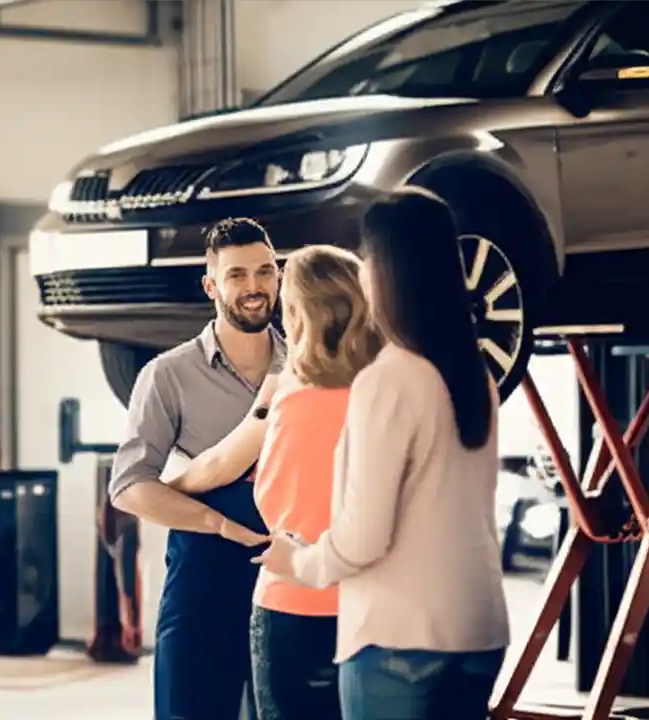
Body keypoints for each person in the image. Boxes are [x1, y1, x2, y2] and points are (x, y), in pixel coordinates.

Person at [257, 187, 510, 720]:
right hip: (478, 629)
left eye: (369, 258)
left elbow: (362, 540)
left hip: (401, 637)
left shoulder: (390, 380)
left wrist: (297, 562)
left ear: (387, 270)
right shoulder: (474, 373)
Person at [168, 244, 381, 720]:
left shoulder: (286, 389)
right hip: (372, 605)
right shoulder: (387, 392)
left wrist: (170, 490)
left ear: (297, 314)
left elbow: (256, 487)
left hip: (292, 597)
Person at [109, 217, 285, 720]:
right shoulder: (169, 375)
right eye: (236, 275)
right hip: (204, 576)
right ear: (211, 286)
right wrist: (219, 524)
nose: (253, 288)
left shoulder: (308, 365)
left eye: (264, 272)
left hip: (292, 574)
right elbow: (128, 487)